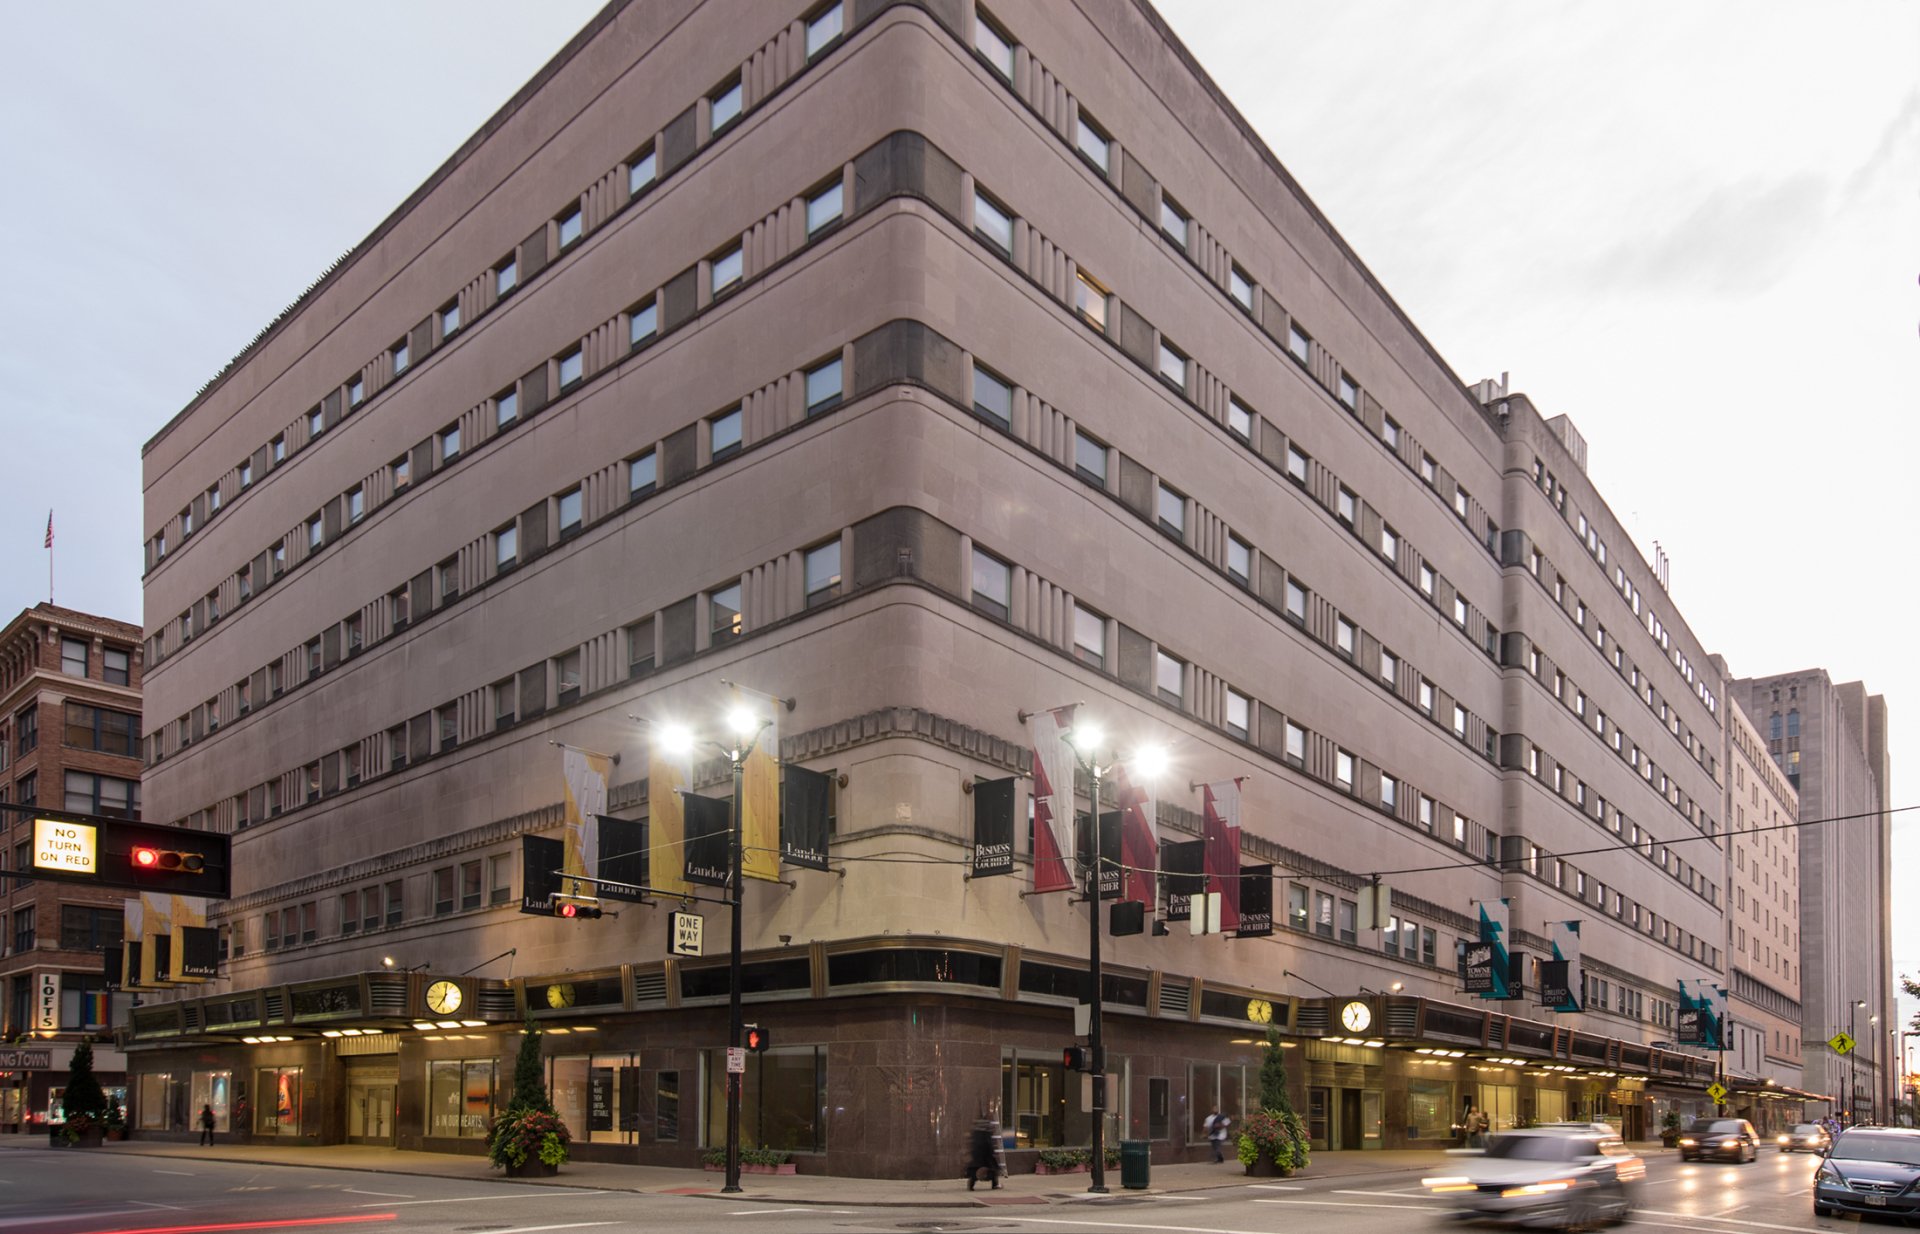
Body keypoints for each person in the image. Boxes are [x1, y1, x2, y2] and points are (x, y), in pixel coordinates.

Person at [966, 1116, 1004, 1190]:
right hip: (986, 1156)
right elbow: (989, 1146)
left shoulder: (975, 1133)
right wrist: (992, 1154)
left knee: (974, 1171)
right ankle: (995, 1185)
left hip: (976, 1156)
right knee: (993, 1170)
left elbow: (973, 1144)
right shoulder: (986, 1134)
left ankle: (971, 1184)